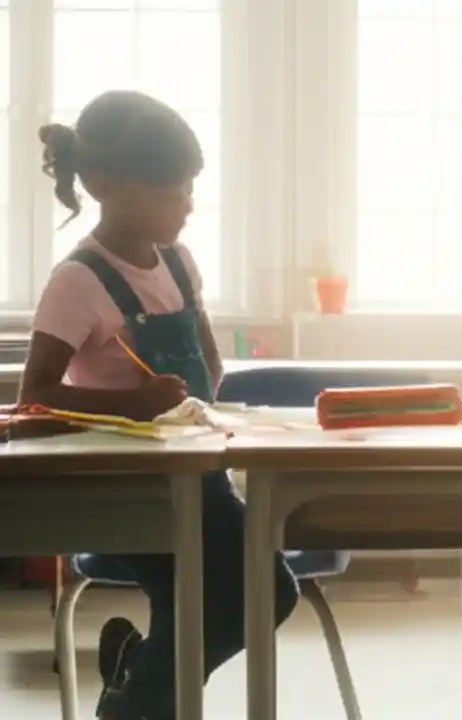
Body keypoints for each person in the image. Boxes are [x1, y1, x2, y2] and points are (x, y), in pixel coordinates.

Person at [20, 90, 299, 720]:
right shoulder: (78, 281)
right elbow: (32, 399)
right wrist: (133, 407)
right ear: (102, 183)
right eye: (171, 190)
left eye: (191, 187)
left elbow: (207, 358)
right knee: (205, 597)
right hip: (120, 497)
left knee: (272, 589)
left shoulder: (179, 264)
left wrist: (199, 401)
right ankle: (141, 705)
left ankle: (133, 688)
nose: (188, 204)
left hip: (200, 484)